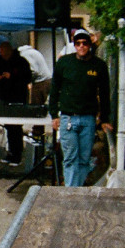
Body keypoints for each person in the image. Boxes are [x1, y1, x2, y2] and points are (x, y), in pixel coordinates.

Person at [48, 28, 112, 187]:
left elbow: (104, 93)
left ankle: (78, 190)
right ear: (74, 45)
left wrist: (104, 119)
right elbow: (55, 89)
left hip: (88, 119)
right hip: (68, 118)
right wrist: (54, 115)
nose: (81, 47)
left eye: (85, 43)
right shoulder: (64, 63)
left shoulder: (99, 66)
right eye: (78, 44)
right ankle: (70, 192)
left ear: (90, 44)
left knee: (84, 159)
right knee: (70, 158)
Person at [0, 39, 33, 165]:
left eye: (4, 52)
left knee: (16, 126)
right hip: (5, 97)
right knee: (9, 126)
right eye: (1, 52)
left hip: (18, 96)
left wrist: (12, 76)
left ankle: (18, 154)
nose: (2, 54)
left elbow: (28, 78)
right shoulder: (0, 60)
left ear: (9, 51)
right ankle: (10, 153)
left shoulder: (20, 61)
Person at [18, 42, 52, 106]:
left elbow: (33, 70)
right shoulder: (32, 51)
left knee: (36, 106)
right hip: (47, 79)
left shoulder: (24, 54)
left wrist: (27, 81)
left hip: (40, 82)